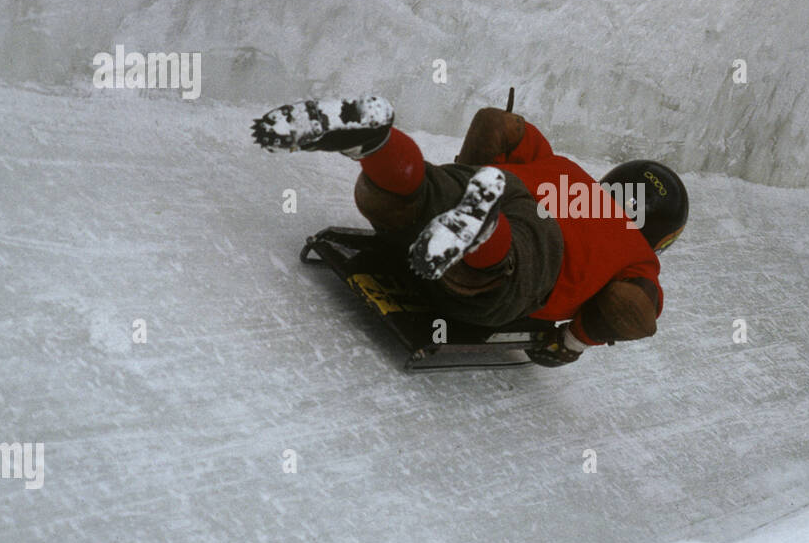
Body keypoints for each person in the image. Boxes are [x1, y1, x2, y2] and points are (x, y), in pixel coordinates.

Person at [252, 95, 687, 366]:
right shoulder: (638, 256)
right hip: (542, 248)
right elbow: (631, 308)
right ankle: (481, 231)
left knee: (405, 195)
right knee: (495, 267)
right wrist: (572, 341)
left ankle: (380, 147)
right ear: (661, 236)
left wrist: (472, 170)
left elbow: (494, 123)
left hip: (510, 185)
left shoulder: (565, 169)